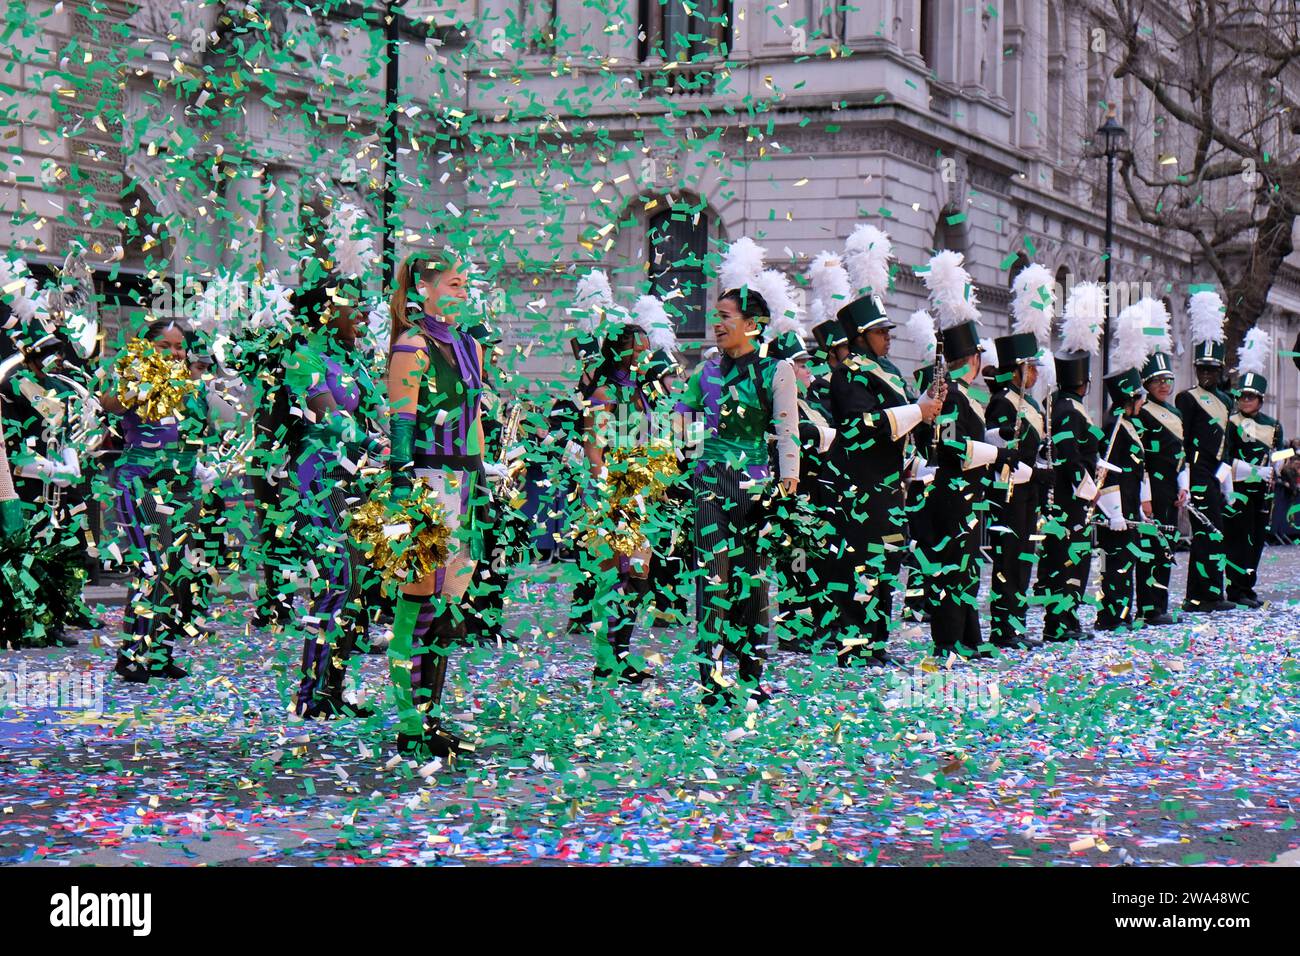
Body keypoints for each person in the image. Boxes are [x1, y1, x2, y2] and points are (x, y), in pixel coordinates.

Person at [673, 285, 799, 707]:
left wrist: (789, 482)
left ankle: (751, 673)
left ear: (752, 325)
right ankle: (712, 678)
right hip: (710, 482)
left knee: (754, 582)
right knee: (713, 580)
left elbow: (787, 434)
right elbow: (679, 419)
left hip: (758, 486)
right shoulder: (704, 372)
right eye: (716, 314)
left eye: (726, 316)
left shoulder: (776, 371)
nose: (717, 323)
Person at [385, 250, 486, 759]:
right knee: (418, 598)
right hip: (425, 479)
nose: (462, 288)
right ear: (425, 288)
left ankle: (431, 714)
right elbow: (402, 420)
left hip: (463, 482)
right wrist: (404, 488)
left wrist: (484, 477)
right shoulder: (412, 345)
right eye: (454, 281)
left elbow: (475, 421)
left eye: (464, 281)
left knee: (449, 600)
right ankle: (409, 723)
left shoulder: (469, 345)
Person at [283, 288, 382, 718]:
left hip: (356, 480)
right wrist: (371, 439)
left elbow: (380, 411)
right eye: (352, 307)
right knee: (335, 583)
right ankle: (311, 694)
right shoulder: (304, 357)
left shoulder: (355, 361)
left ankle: (335, 688)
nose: (362, 314)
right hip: (320, 483)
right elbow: (328, 416)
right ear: (326, 311)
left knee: (358, 589)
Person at [104, 319, 222, 682]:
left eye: (178, 346)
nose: (173, 352)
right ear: (148, 347)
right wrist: (135, 385)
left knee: (174, 570)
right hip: (140, 484)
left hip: (181, 487)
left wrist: (203, 465)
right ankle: (131, 656)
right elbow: (107, 403)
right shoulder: (133, 377)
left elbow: (205, 433)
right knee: (150, 568)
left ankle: (159, 654)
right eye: (164, 346)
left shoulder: (191, 387)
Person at [827, 294, 942, 665]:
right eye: (880, 331)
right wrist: (915, 410)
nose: (887, 337)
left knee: (886, 563)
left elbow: (909, 416)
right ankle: (854, 647)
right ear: (860, 336)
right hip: (861, 485)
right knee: (861, 564)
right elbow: (860, 426)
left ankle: (876, 643)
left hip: (890, 483)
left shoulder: (888, 369)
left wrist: (928, 408)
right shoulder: (849, 373)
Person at [1038, 283, 1106, 642]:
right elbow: (1067, 457)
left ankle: (1065, 618)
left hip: (1071, 497)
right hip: (1069, 499)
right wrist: (1088, 486)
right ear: (1085, 381)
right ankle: (1061, 621)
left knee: (1071, 558)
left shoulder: (1064, 405)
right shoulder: (1068, 408)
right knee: (1068, 558)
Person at [984, 332, 1048, 650]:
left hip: (1028, 490)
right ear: (1015, 371)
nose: (1035, 373)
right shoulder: (1002, 401)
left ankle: (1016, 624)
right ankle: (1004, 628)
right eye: (1030, 368)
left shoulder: (1029, 402)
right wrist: (1034, 471)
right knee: (1008, 560)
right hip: (1008, 491)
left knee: (1022, 559)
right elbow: (999, 449)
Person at [1176, 291, 1235, 613]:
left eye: (1212, 370)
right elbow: (1183, 440)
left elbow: (1227, 442)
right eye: (1202, 370)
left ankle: (1212, 591)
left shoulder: (1226, 401)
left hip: (1216, 471)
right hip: (1197, 470)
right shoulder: (1187, 398)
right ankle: (1200, 595)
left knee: (1217, 533)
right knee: (1205, 533)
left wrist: (1226, 477)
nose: (1207, 375)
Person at [1224, 340, 1285, 608]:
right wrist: (1254, 471)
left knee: (1256, 540)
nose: (1245, 401)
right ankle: (1235, 588)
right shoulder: (1230, 422)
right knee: (1237, 539)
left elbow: (1280, 452)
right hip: (1238, 491)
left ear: (1260, 399)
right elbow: (1226, 458)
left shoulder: (1273, 425)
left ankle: (1248, 586)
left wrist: (1276, 466)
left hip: (1262, 493)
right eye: (1242, 396)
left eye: (1250, 397)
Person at [1093, 367, 1150, 631]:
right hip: (1116, 508)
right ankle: (1111, 616)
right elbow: (1107, 471)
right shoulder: (1114, 426)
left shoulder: (1126, 423)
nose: (1143, 402)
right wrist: (1113, 512)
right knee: (1114, 562)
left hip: (1127, 505)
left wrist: (1136, 506)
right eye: (1140, 397)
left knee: (1126, 561)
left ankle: (1121, 613)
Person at [1134, 350, 1186, 625]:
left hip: (1170, 487)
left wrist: (1183, 486)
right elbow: (1140, 457)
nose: (1164, 385)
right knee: (1150, 548)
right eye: (1157, 381)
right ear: (1147, 384)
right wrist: (1144, 497)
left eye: (1167, 379)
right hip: (1150, 485)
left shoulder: (1175, 412)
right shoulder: (1142, 413)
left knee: (1167, 547)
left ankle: (1161, 604)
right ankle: (1148, 607)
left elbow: (1181, 454)